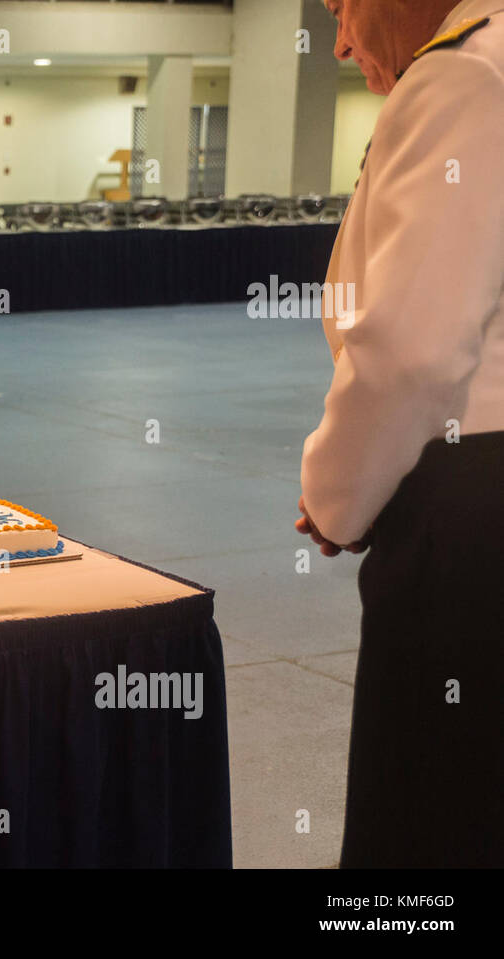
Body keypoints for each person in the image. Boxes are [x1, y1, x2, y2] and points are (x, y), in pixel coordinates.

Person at [298, 0, 504, 867]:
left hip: (471, 516)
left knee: (424, 822)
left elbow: (412, 357)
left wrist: (335, 495)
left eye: (343, 5)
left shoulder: (461, 74)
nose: (340, 40)